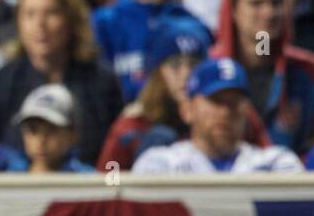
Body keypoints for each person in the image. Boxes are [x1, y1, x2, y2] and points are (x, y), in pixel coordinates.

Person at [0, 0, 125, 165]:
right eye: (30, 14)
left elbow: (114, 157)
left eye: (51, 13)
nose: (40, 24)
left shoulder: (102, 82)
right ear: (19, 22)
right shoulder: (1, 83)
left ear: (71, 19)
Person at [98, 16, 271, 171]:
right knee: (160, 137)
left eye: (194, 64)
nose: (186, 74)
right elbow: (107, 181)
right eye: (175, 65)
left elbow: (265, 159)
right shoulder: (133, 125)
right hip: (155, 201)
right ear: (158, 72)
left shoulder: (233, 111)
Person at [132, 58, 303, 173]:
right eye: (216, 101)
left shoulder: (275, 164)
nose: (225, 112)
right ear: (187, 110)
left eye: (234, 102)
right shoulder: (161, 165)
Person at [211, 0, 314, 154]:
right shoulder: (209, 71)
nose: (268, 13)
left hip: (289, 178)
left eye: (276, 3)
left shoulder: (306, 70)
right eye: (256, 3)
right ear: (234, 10)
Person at [11, 83, 93, 173]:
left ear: (72, 135)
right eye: (33, 130)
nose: (41, 141)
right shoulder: (7, 177)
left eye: (51, 130)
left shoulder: (88, 180)